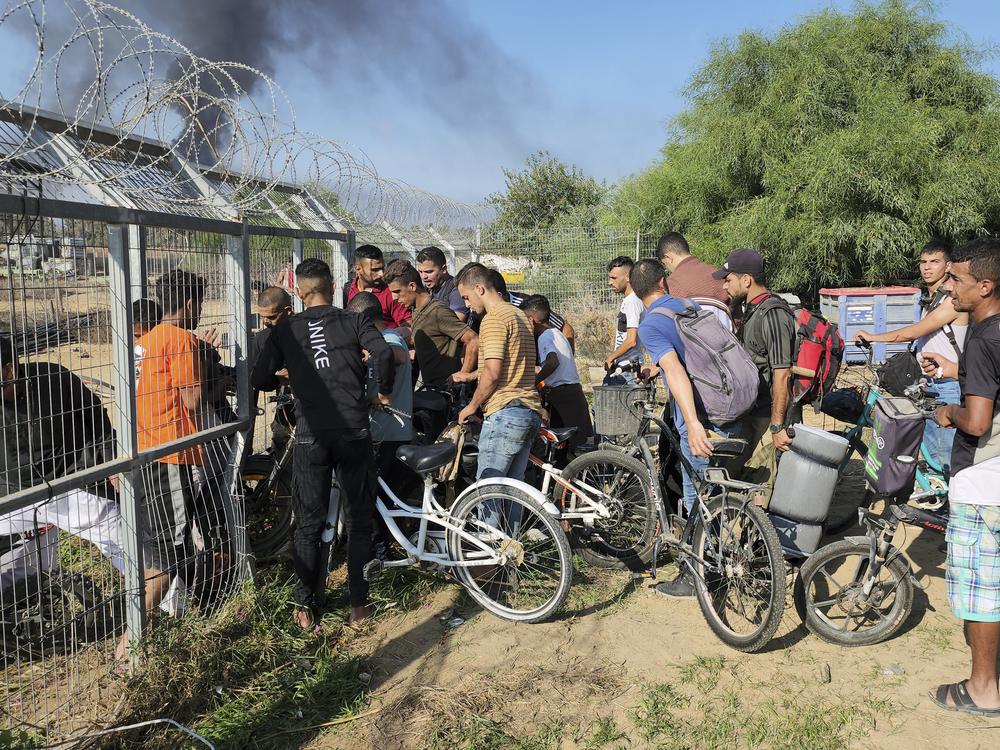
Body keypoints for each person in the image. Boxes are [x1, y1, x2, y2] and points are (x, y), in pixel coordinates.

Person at [252, 258, 394, 629]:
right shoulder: (354, 319)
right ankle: (359, 606)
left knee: (308, 523)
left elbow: (261, 377)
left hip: (312, 434)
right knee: (359, 518)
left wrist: (292, 376)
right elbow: (382, 353)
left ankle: (305, 606)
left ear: (298, 292)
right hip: (353, 430)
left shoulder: (285, 330)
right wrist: (381, 391)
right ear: (332, 286)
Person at [632, 259, 739, 598]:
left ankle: (697, 576)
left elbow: (677, 372)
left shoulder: (650, 323)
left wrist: (692, 425)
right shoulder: (689, 306)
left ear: (637, 293)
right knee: (717, 493)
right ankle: (721, 559)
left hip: (702, 416)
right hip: (729, 406)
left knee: (698, 497)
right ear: (664, 282)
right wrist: (656, 368)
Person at [925, 238, 1000, 716]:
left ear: (986, 286)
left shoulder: (983, 336)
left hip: (984, 481)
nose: (948, 285)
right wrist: (960, 370)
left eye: (957, 279)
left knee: (982, 592)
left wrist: (947, 410)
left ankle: (983, 689)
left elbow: (977, 422)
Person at [130, 269, 216, 657]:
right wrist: (209, 372)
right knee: (168, 554)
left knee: (163, 546)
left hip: (146, 449)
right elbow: (194, 401)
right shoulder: (182, 340)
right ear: (191, 303)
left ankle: (170, 620)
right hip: (174, 455)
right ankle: (128, 645)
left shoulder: (144, 341)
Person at [0, 338, 120, 595]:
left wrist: (112, 464)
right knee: (19, 575)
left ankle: (178, 608)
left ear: (8, 371)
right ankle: (23, 609)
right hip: (13, 494)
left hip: (71, 481)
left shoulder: (52, 378)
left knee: (129, 545)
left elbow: (95, 415)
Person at [856, 240, 967, 473]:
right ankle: (937, 502)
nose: (927, 267)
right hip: (927, 384)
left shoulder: (951, 302)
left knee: (946, 455)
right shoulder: (931, 300)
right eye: (923, 262)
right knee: (930, 453)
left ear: (947, 267)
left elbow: (913, 332)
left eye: (934, 262)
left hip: (948, 386)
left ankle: (952, 504)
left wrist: (874, 336)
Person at [714, 249, 799, 493]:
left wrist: (776, 426)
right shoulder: (752, 311)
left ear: (747, 280)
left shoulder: (773, 314)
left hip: (768, 418)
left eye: (728, 279)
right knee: (743, 480)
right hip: (753, 412)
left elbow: (782, 373)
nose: (725, 286)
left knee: (762, 488)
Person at [455, 264, 543, 481]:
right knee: (513, 490)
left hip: (505, 413)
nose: (467, 305)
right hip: (529, 411)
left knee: (489, 491)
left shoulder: (493, 319)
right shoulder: (521, 316)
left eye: (466, 297)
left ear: (480, 289)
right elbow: (513, 365)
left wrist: (472, 406)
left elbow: (493, 374)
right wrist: (473, 375)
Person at [345, 291, 415, 500]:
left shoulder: (388, 338)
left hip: (388, 434)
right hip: (383, 433)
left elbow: (399, 356)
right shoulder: (382, 339)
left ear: (362, 320)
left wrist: (374, 352)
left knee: (376, 501)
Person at [520, 294, 593, 455]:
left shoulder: (544, 337)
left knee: (572, 448)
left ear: (532, 320)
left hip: (564, 396)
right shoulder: (557, 334)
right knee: (566, 446)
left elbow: (553, 362)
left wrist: (534, 381)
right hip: (572, 393)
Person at [385, 263, 479, 388]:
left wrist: (462, 377)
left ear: (412, 286)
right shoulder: (417, 310)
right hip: (433, 390)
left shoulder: (436, 311)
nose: (394, 298)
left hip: (448, 394)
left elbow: (473, 339)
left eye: (397, 291)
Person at [250, 286, 295, 454]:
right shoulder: (262, 338)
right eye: (262, 317)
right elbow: (255, 378)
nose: (265, 322)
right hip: (284, 408)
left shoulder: (303, 330)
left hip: (310, 406)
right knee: (280, 448)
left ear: (288, 311)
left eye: (271, 317)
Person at [344, 244, 412, 333]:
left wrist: (390, 340)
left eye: (383, 268)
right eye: (375, 270)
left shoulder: (391, 292)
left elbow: (408, 326)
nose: (382, 274)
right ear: (358, 269)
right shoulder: (348, 289)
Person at [657, 232, 728, 304]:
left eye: (664, 263)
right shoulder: (718, 274)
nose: (666, 268)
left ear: (668, 257)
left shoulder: (672, 284)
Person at [604, 256, 644, 374]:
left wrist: (611, 357)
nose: (610, 282)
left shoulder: (632, 301)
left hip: (628, 369)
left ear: (628, 277)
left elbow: (631, 340)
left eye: (614, 278)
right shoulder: (629, 300)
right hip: (622, 366)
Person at [415, 246, 469, 320]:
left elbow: (455, 323)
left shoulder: (456, 289)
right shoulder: (427, 290)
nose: (423, 276)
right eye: (420, 272)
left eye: (429, 272)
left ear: (443, 269)